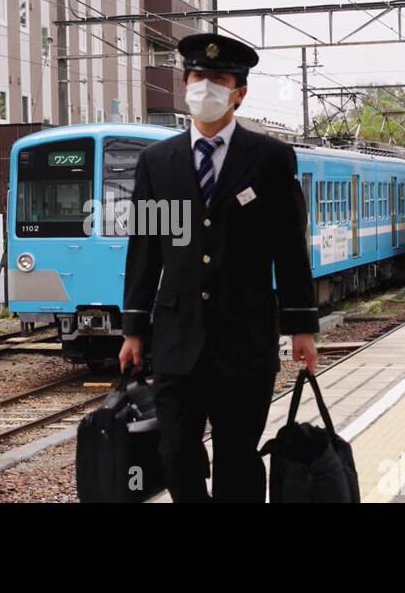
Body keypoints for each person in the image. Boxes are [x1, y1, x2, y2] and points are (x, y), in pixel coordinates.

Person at [118, 33, 320, 503]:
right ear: (185, 84)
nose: (204, 87)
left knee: (238, 457)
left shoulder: (269, 159)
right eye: (197, 77)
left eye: (217, 79)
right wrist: (133, 327)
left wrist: (302, 328)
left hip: (245, 336)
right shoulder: (157, 162)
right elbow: (145, 248)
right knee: (175, 452)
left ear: (239, 92)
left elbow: (289, 249)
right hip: (176, 336)